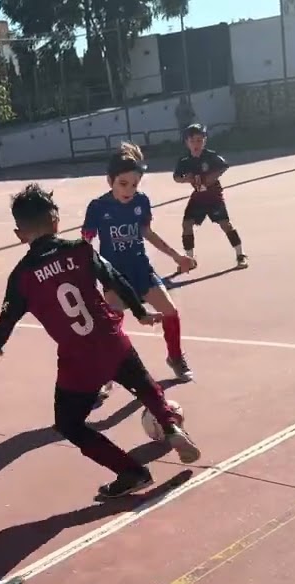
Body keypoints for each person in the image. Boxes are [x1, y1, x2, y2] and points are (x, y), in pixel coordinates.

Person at [0, 183, 202, 499]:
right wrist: (140, 311)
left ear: (19, 234)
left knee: (70, 424)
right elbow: (116, 279)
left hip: (78, 359)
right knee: (144, 384)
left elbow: (7, 317)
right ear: (56, 221)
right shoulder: (80, 250)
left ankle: (132, 472)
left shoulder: (22, 275)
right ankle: (170, 426)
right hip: (112, 339)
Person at [83, 143, 197, 398]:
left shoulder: (142, 202)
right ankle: (107, 374)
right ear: (110, 180)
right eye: (123, 184)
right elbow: (86, 242)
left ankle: (175, 358)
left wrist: (177, 255)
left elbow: (147, 232)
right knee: (111, 327)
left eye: (135, 184)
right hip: (114, 275)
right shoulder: (97, 208)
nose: (130, 190)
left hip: (141, 270)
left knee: (170, 311)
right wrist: (84, 272)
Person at [173, 124, 247, 269]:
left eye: (200, 140)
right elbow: (176, 177)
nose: (196, 144)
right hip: (198, 198)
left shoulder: (210, 156)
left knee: (226, 225)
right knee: (187, 224)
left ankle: (240, 255)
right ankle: (189, 259)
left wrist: (211, 177)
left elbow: (224, 165)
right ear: (187, 142)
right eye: (193, 141)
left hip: (213, 197)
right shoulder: (184, 161)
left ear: (205, 140)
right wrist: (184, 179)